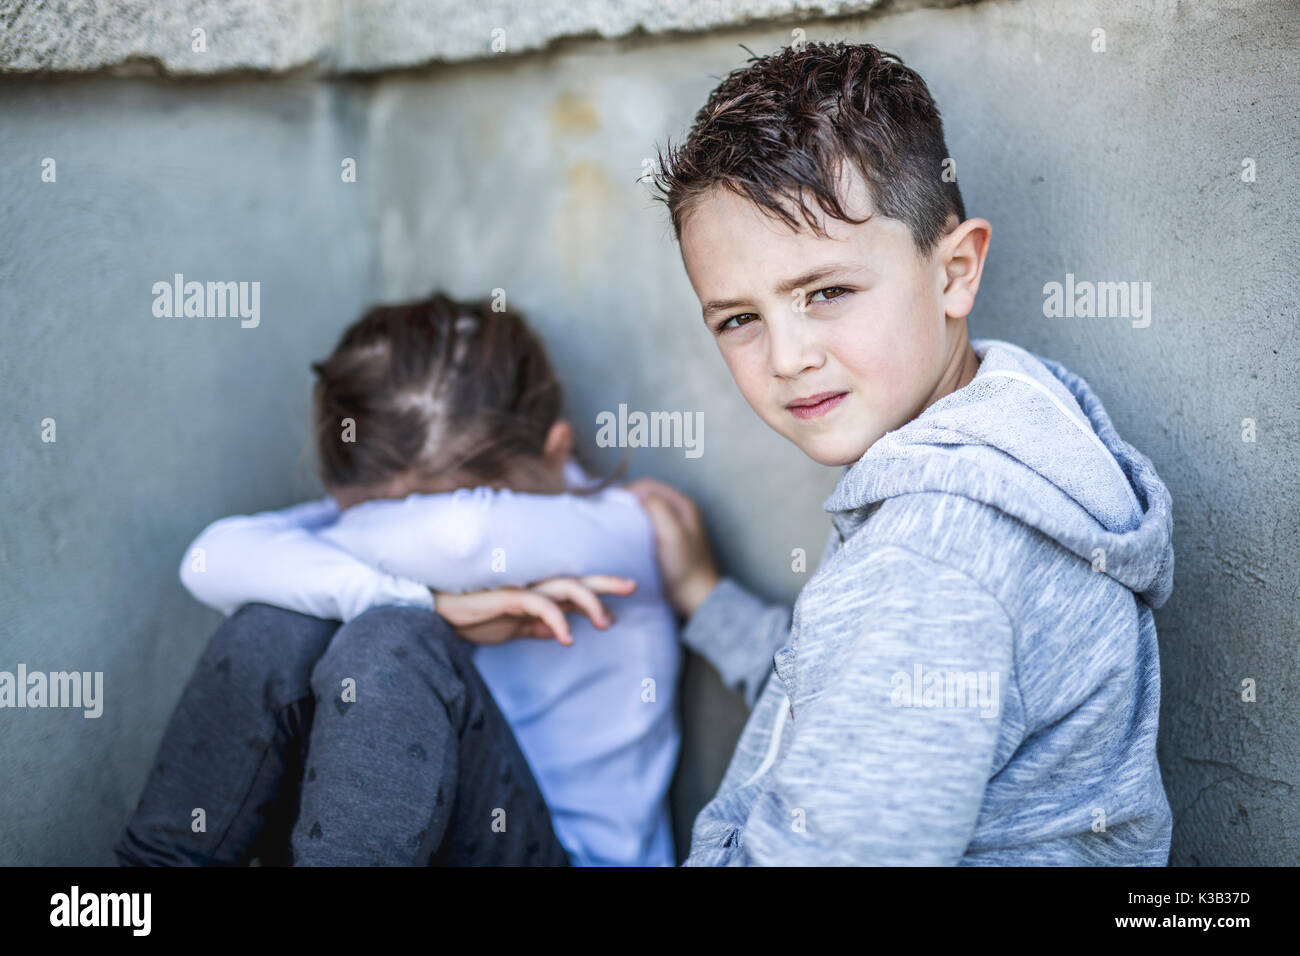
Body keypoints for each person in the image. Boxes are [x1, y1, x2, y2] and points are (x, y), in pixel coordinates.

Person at [622, 40, 1175, 864]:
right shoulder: (1016, 435)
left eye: (827, 292)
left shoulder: (931, 562)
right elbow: (858, 694)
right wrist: (710, 604)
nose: (786, 357)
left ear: (956, 270)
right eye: (739, 318)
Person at [115, 292, 680, 866]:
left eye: (401, 517)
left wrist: (398, 589)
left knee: (393, 641)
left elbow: (461, 536)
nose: (398, 532)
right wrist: (427, 598)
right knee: (280, 621)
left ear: (558, 453)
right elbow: (210, 558)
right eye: (376, 515)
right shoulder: (485, 521)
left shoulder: (624, 529)